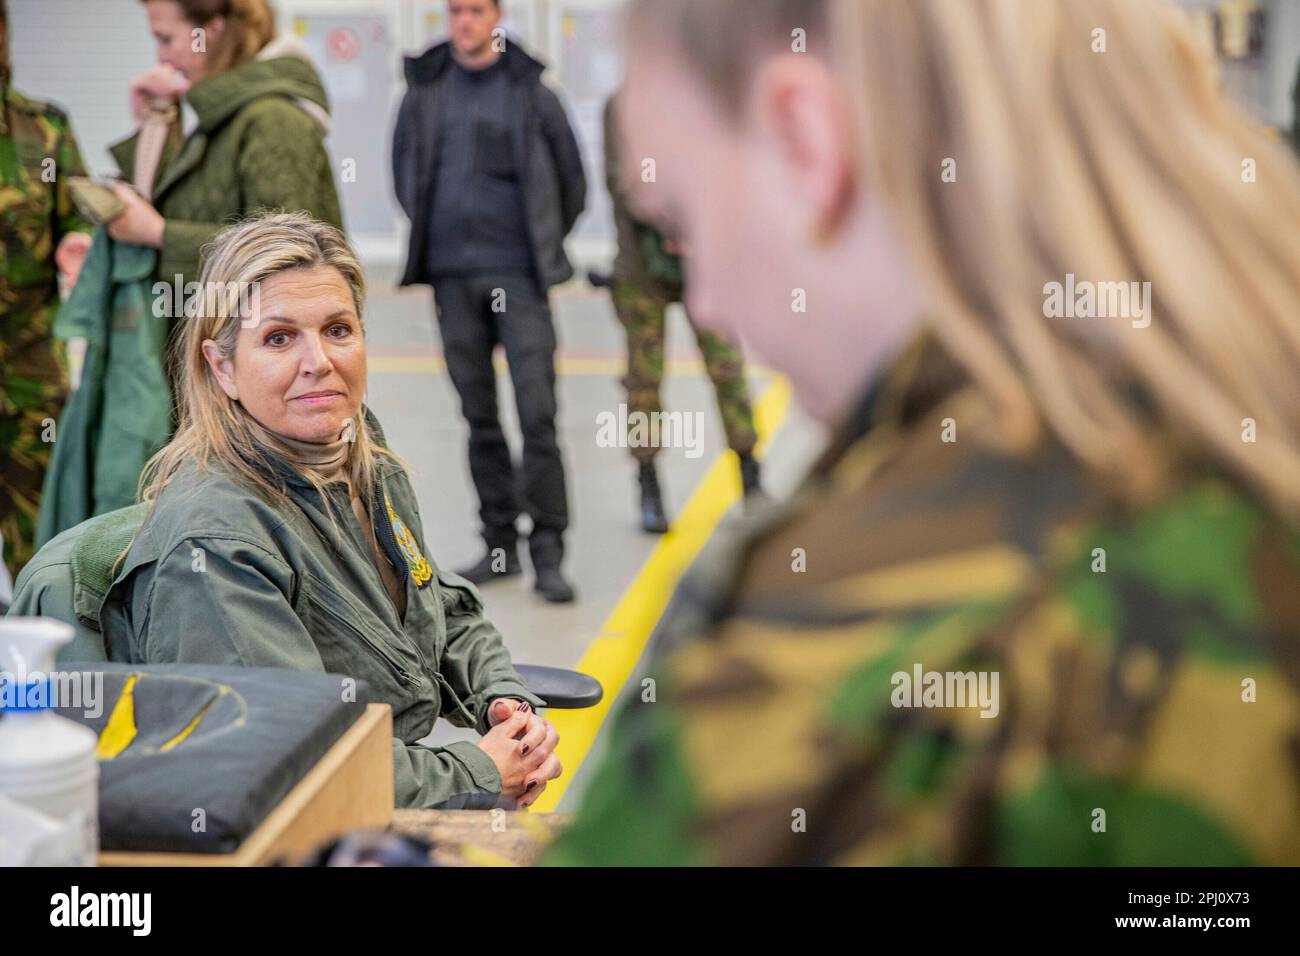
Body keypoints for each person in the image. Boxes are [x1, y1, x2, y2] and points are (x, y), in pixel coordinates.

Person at [545, 0, 1300, 865]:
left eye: (680, 221)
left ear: (805, 138)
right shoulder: (1251, 425)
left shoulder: (836, 649)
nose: (705, 298)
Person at [99, 213, 563, 810]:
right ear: (222, 367)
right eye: (279, 338)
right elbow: (287, 763)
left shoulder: (356, 454)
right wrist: (475, 771)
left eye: (338, 329)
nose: (319, 361)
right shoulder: (215, 549)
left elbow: (437, 605)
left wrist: (502, 700)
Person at [391, 0, 587, 603]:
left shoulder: (532, 91)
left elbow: (572, 181)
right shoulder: (425, 90)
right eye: (454, 11)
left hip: (520, 277)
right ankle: (500, 546)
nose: (463, 22)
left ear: (498, 15)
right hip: (453, 278)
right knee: (479, 418)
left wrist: (545, 242)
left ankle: (548, 552)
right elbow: (404, 172)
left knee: (537, 416)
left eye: (475, 10)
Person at [106, 0, 341, 308]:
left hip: (253, 344)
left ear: (213, 30)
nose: (161, 57)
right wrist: (151, 124)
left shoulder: (272, 119)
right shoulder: (227, 114)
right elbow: (180, 203)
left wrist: (158, 234)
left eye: (166, 39)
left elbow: (287, 253)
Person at [600, 91, 762, 534]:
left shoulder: (702, 89)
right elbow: (621, 178)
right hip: (642, 266)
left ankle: (751, 478)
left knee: (728, 369)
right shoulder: (624, 104)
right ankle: (647, 482)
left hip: (705, 262)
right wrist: (669, 222)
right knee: (643, 384)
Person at [0, 0, 93, 579]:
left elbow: (77, 215)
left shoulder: (44, 128)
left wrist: (79, 243)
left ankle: (40, 665)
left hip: (29, 375)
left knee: (45, 558)